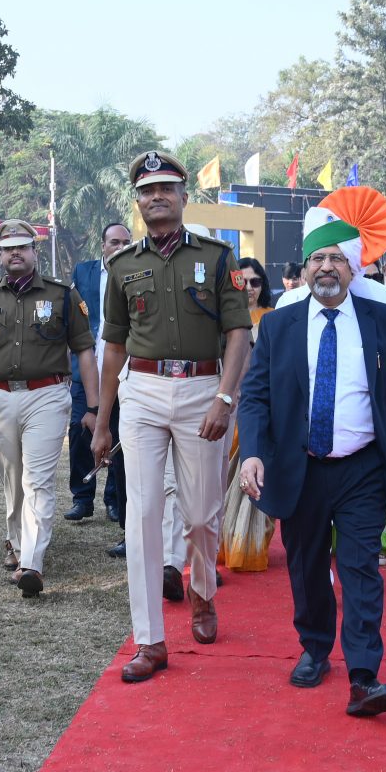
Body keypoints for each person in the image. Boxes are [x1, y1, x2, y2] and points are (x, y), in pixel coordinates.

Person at [237, 207, 386, 715]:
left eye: (337, 258)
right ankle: (315, 648)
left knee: (361, 570)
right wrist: (252, 453)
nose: (327, 267)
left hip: (360, 469)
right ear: (305, 269)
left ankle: (364, 675)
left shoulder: (384, 320)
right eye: (317, 259)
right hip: (301, 466)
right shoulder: (279, 326)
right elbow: (256, 395)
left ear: (354, 269)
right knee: (307, 567)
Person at [90, 151, 251, 683]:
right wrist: (103, 418)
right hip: (142, 391)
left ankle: (203, 591)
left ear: (183, 197)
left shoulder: (218, 256)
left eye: (166, 188)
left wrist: (225, 399)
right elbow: (113, 346)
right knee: (142, 514)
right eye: (146, 190)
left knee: (202, 516)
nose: (156, 196)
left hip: (203, 388)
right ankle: (151, 640)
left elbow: (237, 334)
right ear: (137, 202)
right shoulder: (122, 266)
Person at [0, 220, 95, 598]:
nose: (16, 253)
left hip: (46, 395)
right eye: (8, 247)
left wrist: (93, 406)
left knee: (38, 480)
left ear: (34, 251)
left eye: (23, 247)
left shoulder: (63, 296)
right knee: (13, 479)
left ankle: (32, 563)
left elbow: (84, 353)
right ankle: (15, 541)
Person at [66, 223, 131, 526]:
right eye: (114, 242)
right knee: (81, 432)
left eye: (126, 242)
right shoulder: (83, 272)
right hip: (87, 367)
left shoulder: (137, 272)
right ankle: (82, 498)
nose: (120, 247)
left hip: (123, 370)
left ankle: (115, 500)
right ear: (102, 245)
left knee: (118, 436)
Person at [217, 257, 277, 573]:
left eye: (256, 282)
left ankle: (249, 548)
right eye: (243, 281)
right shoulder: (222, 317)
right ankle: (222, 545)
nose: (250, 288)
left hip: (260, 407)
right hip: (224, 404)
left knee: (254, 476)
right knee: (222, 480)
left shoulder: (273, 319)